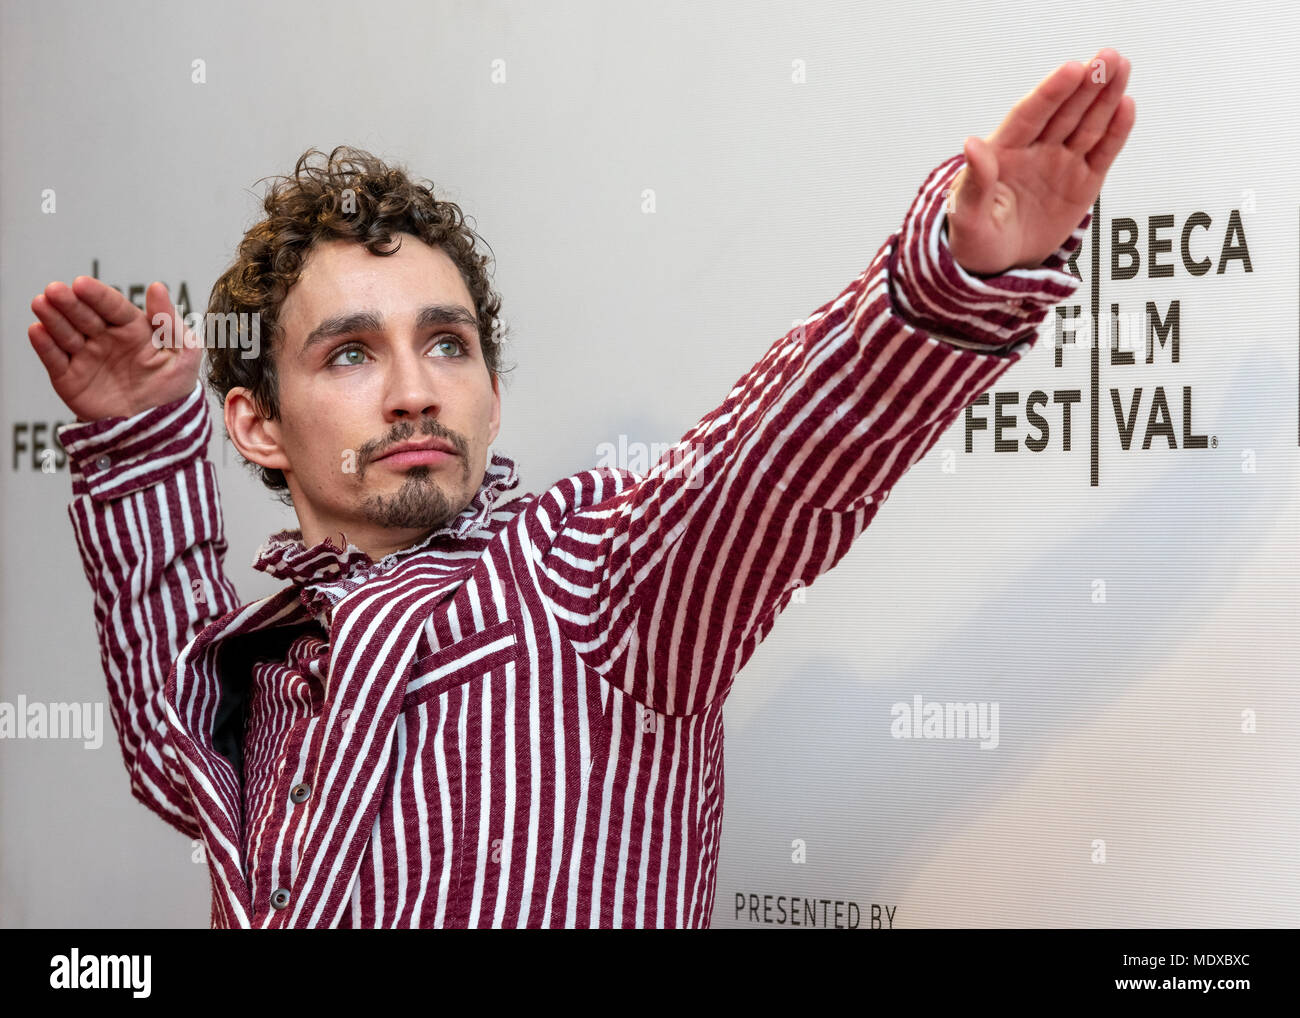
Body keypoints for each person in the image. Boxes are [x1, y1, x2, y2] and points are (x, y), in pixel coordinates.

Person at [28, 50, 1134, 928]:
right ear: (257, 424)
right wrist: (135, 438)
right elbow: (167, 723)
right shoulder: (264, 666)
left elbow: (774, 463)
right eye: (351, 354)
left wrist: (953, 278)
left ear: (494, 400)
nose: (417, 392)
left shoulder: (585, 581)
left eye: (449, 346)